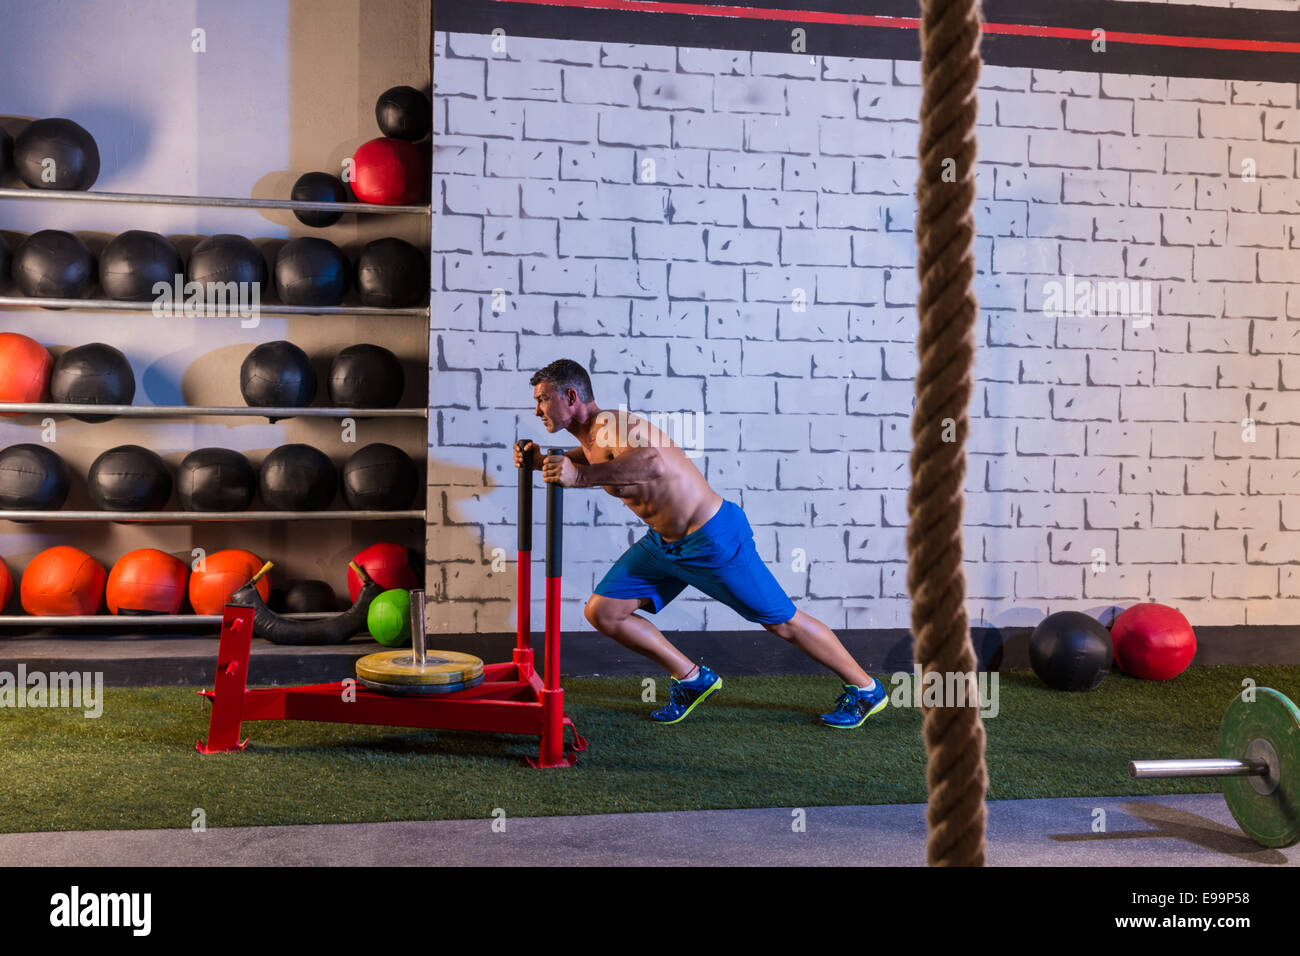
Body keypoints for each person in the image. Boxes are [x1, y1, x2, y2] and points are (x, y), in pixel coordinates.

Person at [515, 358, 886, 728]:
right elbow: (593, 459)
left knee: (783, 622)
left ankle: (867, 689)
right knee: (604, 611)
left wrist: (579, 477)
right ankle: (692, 678)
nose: (537, 410)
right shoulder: (594, 438)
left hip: (712, 540)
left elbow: (651, 463)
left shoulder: (612, 426)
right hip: (663, 545)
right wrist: (541, 459)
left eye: (543, 400)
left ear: (570, 395)